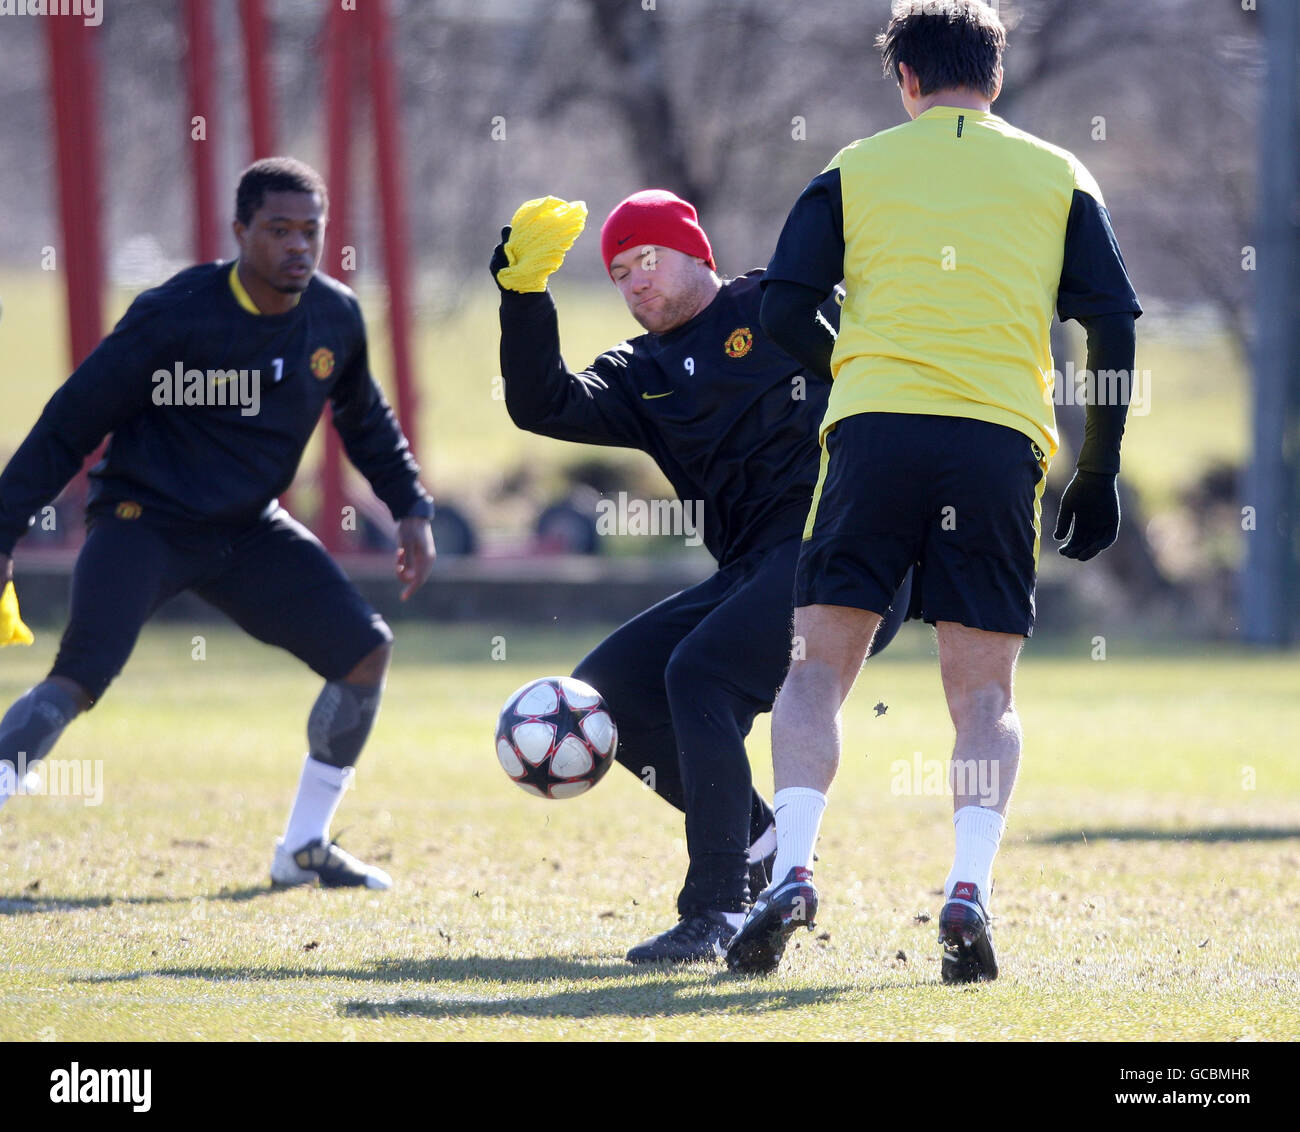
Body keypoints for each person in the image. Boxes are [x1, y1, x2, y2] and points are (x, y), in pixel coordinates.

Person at [726, 0, 1142, 979]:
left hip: (873, 435)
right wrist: (1099, 466)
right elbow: (1113, 323)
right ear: (993, 78)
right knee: (984, 694)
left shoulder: (854, 166)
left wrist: (852, 371)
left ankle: (790, 868)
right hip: (998, 444)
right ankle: (965, 886)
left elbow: (783, 305)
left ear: (904, 79)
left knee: (815, 674)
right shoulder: (1056, 173)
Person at [492, 191, 912, 963]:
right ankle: (756, 841)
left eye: (645, 261)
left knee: (702, 675)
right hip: (759, 566)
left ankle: (718, 910)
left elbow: (899, 365)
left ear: (697, 253)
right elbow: (540, 402)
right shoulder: (639, 371)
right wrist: (523, 298)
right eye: (617, 274)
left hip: (845, 551)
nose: (634, 284)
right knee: (609, 689)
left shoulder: (780, 306)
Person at [0, 157, 437, 890]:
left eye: (310, 230)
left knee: (364, 654)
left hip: (247, 529)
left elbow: (365, 421)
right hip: (146, 521)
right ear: (241, 231)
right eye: (278, 229)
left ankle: (302, 849)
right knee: (77, 679)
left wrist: (413, 507)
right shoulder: (175, 313)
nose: (298, 245)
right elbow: (67, 424)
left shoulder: (335, 316)